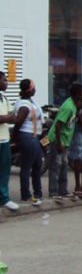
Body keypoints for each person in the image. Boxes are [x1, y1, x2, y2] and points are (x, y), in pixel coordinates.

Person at [48, 83, 82, 203]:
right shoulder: (68, 106)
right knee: (56, 165)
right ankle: (53, 191)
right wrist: (59, 143)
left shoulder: (73, 104)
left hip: (66, 140)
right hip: (57, 139)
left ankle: (62, 190)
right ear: (78, 94)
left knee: (64, 164)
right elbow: (58, 124)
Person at [12, 79, 44, 205]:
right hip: (27, 136)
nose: (35, 89)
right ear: (29, 89)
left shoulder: (30, 101)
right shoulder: (24, 106)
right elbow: (18, 122)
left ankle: (38, 193)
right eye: (34, 87)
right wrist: (15, 138)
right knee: (27, 167)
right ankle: (26, 195)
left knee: (37, 165)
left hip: (33, 136)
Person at [0, 72, 18, 211]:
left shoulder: (4, 98)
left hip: (5, 139)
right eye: (4, 80)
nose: (7, 83)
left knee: (5, 170)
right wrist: (7, 118)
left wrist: (5, 117)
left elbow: (13, 116)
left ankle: (4, 198)